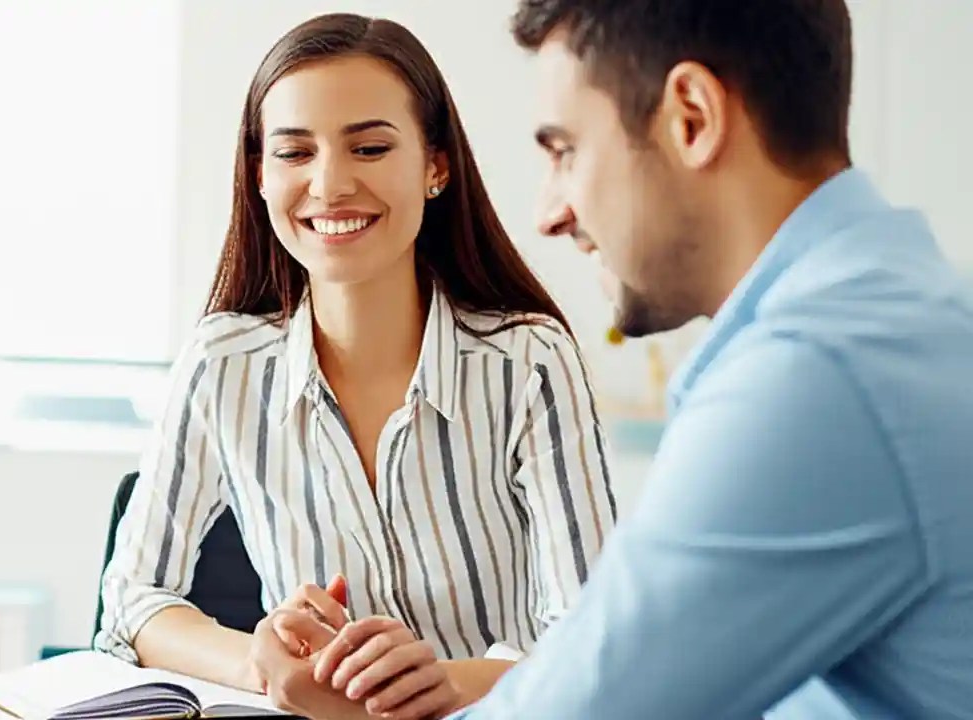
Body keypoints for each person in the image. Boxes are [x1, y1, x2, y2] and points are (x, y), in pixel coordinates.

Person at [313, 0, 973, 717]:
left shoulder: (822, 376)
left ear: (692, 117)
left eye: (564, 151)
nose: (549, 212)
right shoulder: (893, 310)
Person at [93, 11, 618, 720]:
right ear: (258, 174)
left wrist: (446, 684)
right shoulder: (223, 364)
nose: (330, 184)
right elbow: (131, 600)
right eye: (294, 153)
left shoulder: (528, 362)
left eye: (369, 148)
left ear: (436, 166)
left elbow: (593, 636)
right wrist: (260, 661)